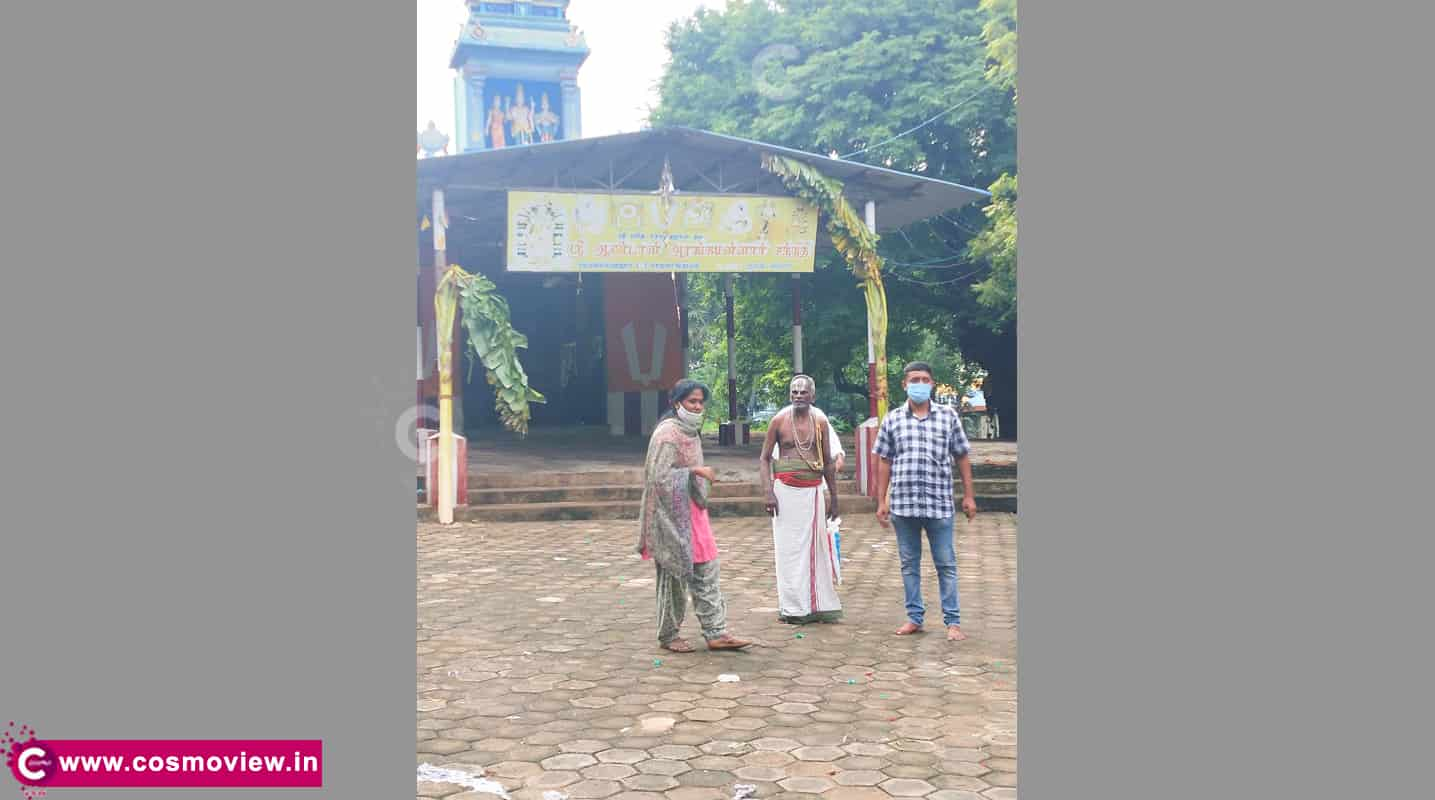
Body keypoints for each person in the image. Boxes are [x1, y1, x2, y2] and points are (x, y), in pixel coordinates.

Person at [636, 379, 752, 653]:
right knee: (674, 576)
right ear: (677, 403)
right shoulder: (667, 434)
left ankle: (716, 632)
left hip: (695, 514)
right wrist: (695, 472)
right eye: (692, 402)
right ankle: (668, 635)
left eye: (701, 402)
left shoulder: (691, 431)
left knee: (707, 570)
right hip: (670, 517)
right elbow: (657, 478)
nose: (697, 406)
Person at [874, 361, 978, 641]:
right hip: (904, 505)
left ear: (932, 384)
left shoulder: (948, 417)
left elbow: (962, 456)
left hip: (939, 504)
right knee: (909, 563)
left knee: (946, 563)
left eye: (925, 379)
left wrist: (969, 495)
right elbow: (884, 460)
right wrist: (881, 500)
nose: (920, 384)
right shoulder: (893, 419)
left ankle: (953, 622)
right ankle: (914, 618)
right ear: (904, 385)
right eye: (914, 379)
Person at [758, 375, 842, 624]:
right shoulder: (779, 420)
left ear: (812, 396)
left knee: (815, 549)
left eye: (803, 392)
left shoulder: (820, 421)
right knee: (788, 551)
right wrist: (768, 492)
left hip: (813, 491)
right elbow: (764, 459)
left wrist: (834, 498)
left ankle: (816, 605)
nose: (798, 396)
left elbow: (827, 462)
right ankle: (793, 608)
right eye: (794, 392)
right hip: (784, 492)